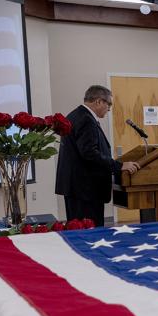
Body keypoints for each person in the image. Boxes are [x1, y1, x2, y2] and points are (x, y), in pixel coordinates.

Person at [55, 85, 140, 227]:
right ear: (98, 101)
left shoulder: (76, 115)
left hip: (78, 188)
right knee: (90, 232)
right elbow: (89, 153)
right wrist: (120, 166)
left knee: (78, 229)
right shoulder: (86, 119)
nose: (109, 109)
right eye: (109, 104)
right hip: (85, 190)